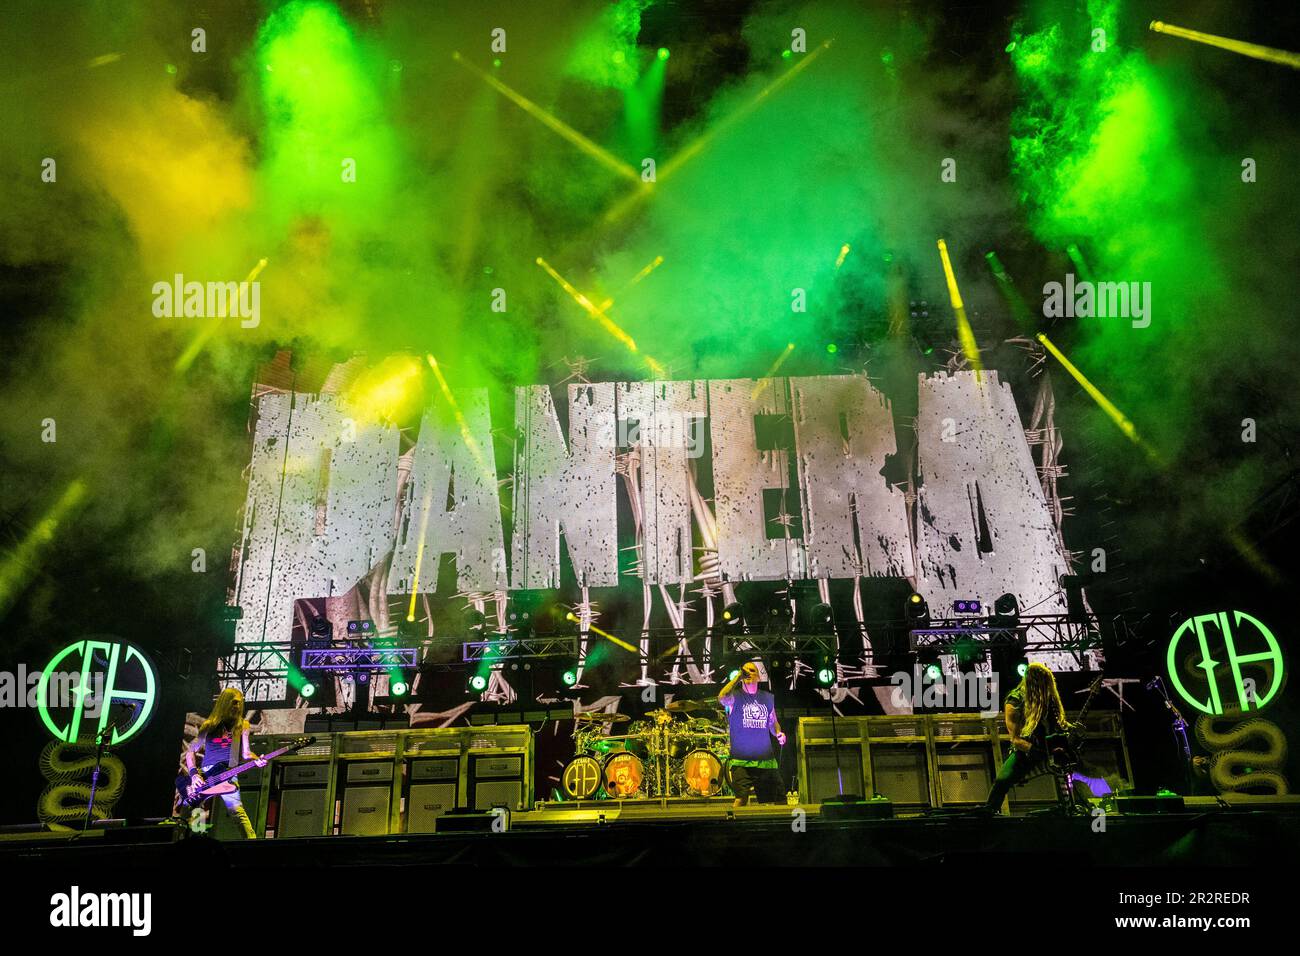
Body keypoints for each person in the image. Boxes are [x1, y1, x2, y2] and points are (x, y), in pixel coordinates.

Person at [984, 662, 1074, 813]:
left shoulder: (1049, 699)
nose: (1047, 688)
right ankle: (989, 812)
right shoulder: (1015, 701)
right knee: (1002, 781)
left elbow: (1059, 724)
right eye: (1044, 684)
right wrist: (1036, 751)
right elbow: (1015, 739)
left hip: (1050, 748)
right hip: (1027, 751)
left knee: (1073, 773)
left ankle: (1072, 808)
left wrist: (1071, 729)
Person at [182, 688, 266, 838]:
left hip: (228, 773)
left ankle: (252, 844)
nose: (237, 706)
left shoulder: (242, 724)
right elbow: (190, 752)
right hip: (206, 773)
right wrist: (194, 775)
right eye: (234, 703)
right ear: (225, 703)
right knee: (192, 806)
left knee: (237, 812)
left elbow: (246, 753)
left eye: (240, 704)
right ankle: (197, 841)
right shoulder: (208, 725)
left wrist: (257, 759)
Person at [718, 661, 786, 806]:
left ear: (758, 677)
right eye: (745, 671)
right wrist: (737, 677)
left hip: (765, 760)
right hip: (741, 760)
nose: (747, 673)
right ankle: (734, 826)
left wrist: (779, 733)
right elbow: (722, 698)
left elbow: (772, 722)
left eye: (751, 670)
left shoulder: (767, 698)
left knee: (778, 799)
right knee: (741, 798)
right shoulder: (735, 697)